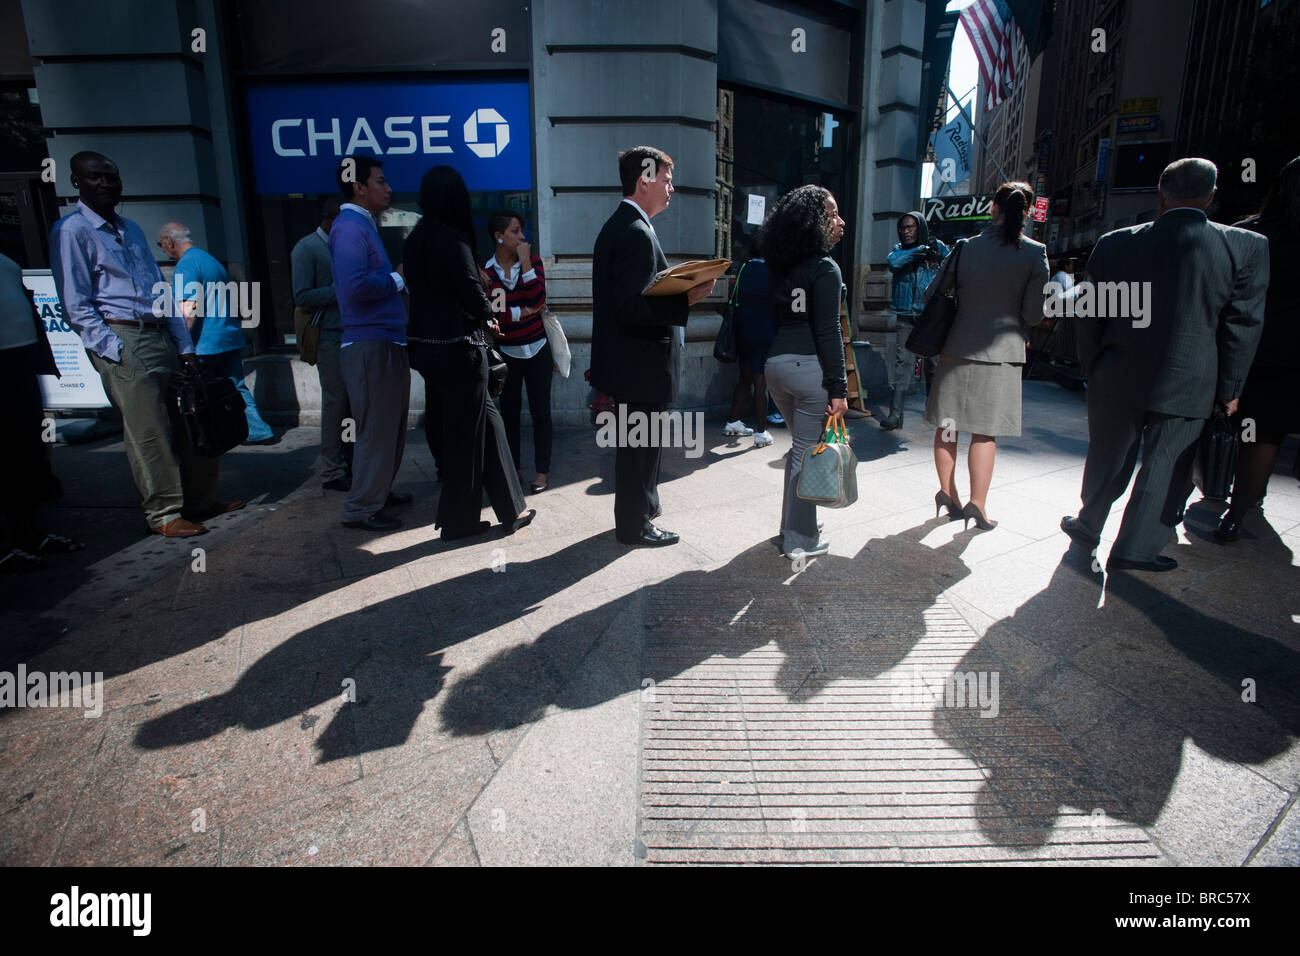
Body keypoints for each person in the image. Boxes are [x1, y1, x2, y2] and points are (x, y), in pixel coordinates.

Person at [1062, 158, 1269, 571]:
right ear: (1211, 197)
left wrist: (1093, 366)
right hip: (1192, 378)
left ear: (1161, 194)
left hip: (1117, 373)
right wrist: (1230, 388)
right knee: (1166, 467)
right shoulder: (1245, 246)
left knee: (1107, 457)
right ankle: (1135, 550)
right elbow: (1242, 324)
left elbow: (1091, 315)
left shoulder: (1115, 243)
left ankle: (1088, 525)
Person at [50, 151, 239, 537]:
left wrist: (185, 347)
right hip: (122, 335)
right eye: (94, 177)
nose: (105, 184)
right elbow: (75, 302)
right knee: (149, 430)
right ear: (76, 182)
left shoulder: (132, 228)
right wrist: (111, 348)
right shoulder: (71, 231)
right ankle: (165, 513)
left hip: (160, 334)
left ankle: (200, 501)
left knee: (189, 419)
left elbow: (160, 291)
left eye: (111, 177)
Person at [590, 146, 714, 547]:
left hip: (632, 365)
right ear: (644, 178)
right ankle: (635, 525)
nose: (672, 187)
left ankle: (643, 512)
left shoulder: (628, 226)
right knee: (639, 450)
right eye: (666, 178)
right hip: (639, 366)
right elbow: (631, 308)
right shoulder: (634, 232)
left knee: (639, 448)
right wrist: (687, 298)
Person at [403, 165, 534, 541]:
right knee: (466, 433)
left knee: (486, 420)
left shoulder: (414, 240)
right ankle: (458, 520)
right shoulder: (452, 240)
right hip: (461, 350)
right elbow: (473, 297)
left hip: (428, 352)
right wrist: (489, 316)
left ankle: (512, 508)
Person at [923, 181, 1049, 531]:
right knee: (984, 434)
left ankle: (948, 494)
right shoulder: (1034, 253)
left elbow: (934, 292)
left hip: (957, 347)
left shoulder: (965, 248)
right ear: (1025, 212)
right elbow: (1034, 314)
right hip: (1003, 355)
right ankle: (977, 504)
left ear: (993, 207)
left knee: (948, 427)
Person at [763, 184, 849, 558]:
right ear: (813, 222)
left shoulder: (780, 267)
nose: (840, 221)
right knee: (804, 454)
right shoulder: (825, 268)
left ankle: (794, 527)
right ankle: (800, 541)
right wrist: (839, 388)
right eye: (831, 214)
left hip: (776, 367)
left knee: (800, 450)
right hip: (809, 370)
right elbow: (828, 330)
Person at [1217, 156, 1300, 543]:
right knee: (1264, 436)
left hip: (1235, 345)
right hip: (1287, 357)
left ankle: (1182, 499)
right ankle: (1238, 513)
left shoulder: (1247, 232)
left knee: (1214, 423)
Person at [329, 155, 413, 532]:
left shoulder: (361, 225)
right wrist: (396, 279)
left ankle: (377, 493)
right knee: (376, 430)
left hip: (384, 341)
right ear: (358, 187)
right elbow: (354, 287)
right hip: (370, 343)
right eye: (380, 181)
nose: (389, 187)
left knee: (389, 428)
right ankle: (361, 508)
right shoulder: (350, 227)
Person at [0, 253, 85, 570]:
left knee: (26, 452)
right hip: (6, 364)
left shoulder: (7, 262)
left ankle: (29, 535)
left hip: (20, 361)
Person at [158, 222, 273, 444]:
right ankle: (258, 430)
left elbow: (189, 308)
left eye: (160, 244)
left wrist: (181, 344)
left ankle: (210, 435)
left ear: (168, 241)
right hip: (227, 335)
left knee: (200, 391)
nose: (162, 249)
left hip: (204, 342)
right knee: (236, 386)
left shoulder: (187, 265)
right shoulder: (211, 262)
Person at [482, 210, 552, 493]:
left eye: (522, 231)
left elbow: (539, 299)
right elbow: (494, 316)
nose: (522, 237)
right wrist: (522, 311)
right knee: (509, 414)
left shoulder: (533, 263)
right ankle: (514, 471)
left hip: (538, 348)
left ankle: (542, 473)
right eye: (515, 231)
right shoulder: (487, 273)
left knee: (541, 413)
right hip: (508, 353)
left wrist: (525, 263)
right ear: (499, 237)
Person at [291, 196, 354, 491]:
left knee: (353, 405)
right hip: (329, 337)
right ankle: (332, 468)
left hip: (353, 334)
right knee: (336, 402)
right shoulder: (307, 248)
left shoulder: (345, 246)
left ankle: (350, 461)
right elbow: (302, 296)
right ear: (330, 221)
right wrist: (341, 289)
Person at [883, 211, 949, 430]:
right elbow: (894, 262)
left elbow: (951, 264)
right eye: (903, 228)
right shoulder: (899, 251)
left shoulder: (937, 246)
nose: (906, 231)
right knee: (903, 365)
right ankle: (895, 415)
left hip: (930, 318)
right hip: (906, 316)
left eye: (911, 227)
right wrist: (918, 252)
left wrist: (933, 253)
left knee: (933, 365)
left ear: (919, 228)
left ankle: (933, 411)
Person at [722, 238, 776, 448]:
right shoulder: (772, 274)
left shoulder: (743, 269)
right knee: (760, 384)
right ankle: (761, 432)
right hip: (764, 335)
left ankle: (733, 421)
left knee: (744, 380)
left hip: (742, 333)